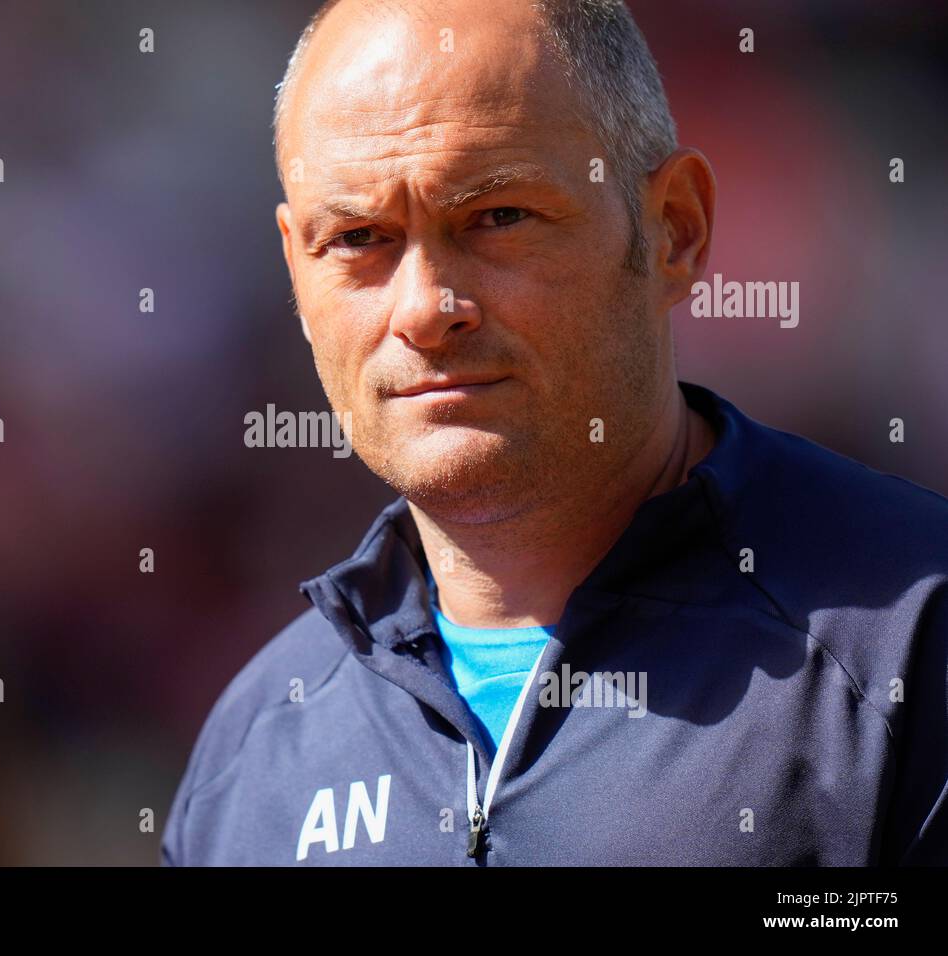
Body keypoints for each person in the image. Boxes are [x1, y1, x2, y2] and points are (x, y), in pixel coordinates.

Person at [161, 0, 948, 865]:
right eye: (357, 238)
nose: (425, 309)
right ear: (296, 273)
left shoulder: (912, 646)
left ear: (674, 228)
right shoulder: (252, 756)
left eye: (498, 216)